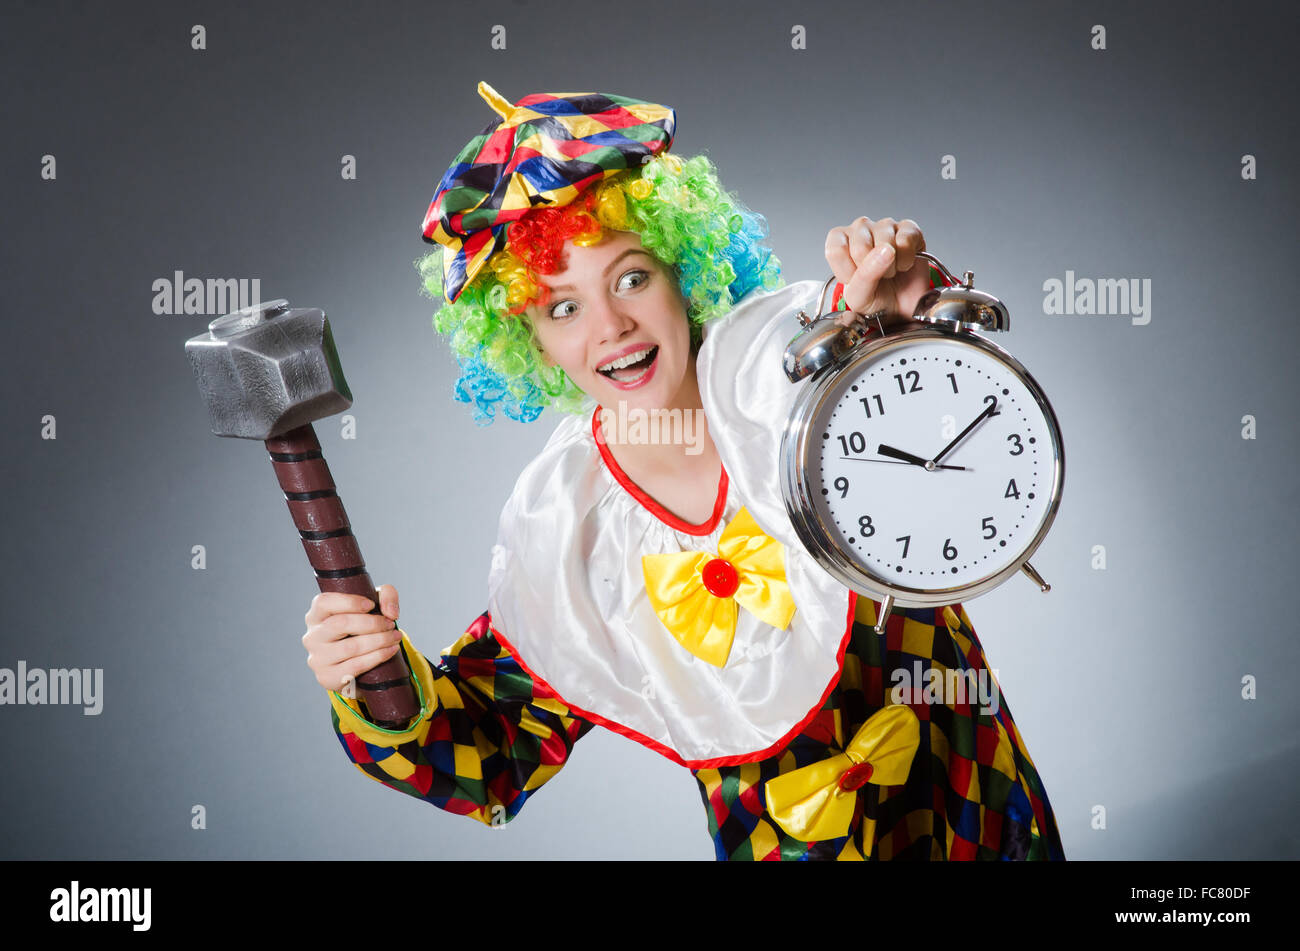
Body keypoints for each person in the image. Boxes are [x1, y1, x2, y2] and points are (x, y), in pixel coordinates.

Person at [301, 83, 1066, 861]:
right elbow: (490, 759)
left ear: (683, 270)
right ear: (529, 342)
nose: (611, 327)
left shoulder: (796, 371)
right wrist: (373, 673)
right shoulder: (570, 525)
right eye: (561, 308)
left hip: (980, 815)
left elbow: (966, 439)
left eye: (631, 277)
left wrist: (902, 312)